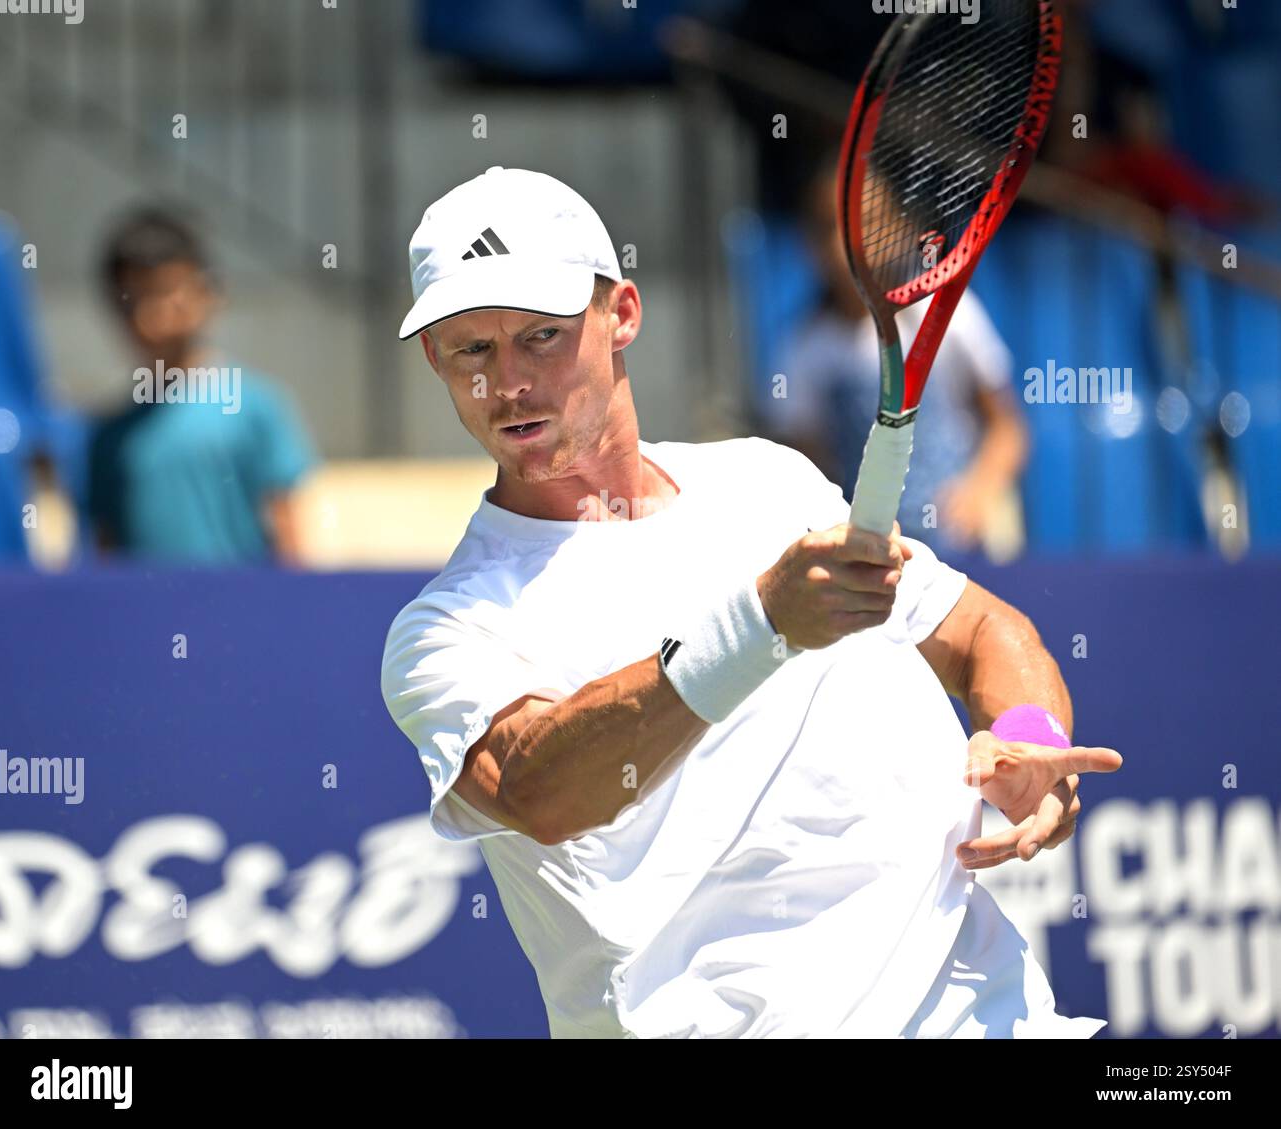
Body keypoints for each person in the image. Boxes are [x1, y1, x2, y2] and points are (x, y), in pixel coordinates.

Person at [381, 166, 1122, 1039]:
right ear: (435, 358)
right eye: (473, 349)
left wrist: (1030, 743)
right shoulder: (447, 628)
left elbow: (983, 631)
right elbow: (539, 788)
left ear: (621, 315)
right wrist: (761, 625)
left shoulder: (770, 480)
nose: (509, 382)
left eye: (542, 335)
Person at [759, 159, 1028, 555]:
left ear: (902, 230)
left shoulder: (948, 314)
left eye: (867, 223)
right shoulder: (802, 351)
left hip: (968, 537)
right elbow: (807, 467)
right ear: (807, 241)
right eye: (828, 227)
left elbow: (1009, 429)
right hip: (875, 551)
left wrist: (979, 490)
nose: (845, 244)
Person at [87, 207, 317, 564]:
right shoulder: (109, 435)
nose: (156, 314)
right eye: (137, 297)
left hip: (241, 614)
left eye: (168, 292)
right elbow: (104, 555)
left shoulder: (256, 407)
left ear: (208, 292)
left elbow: (289, 540)